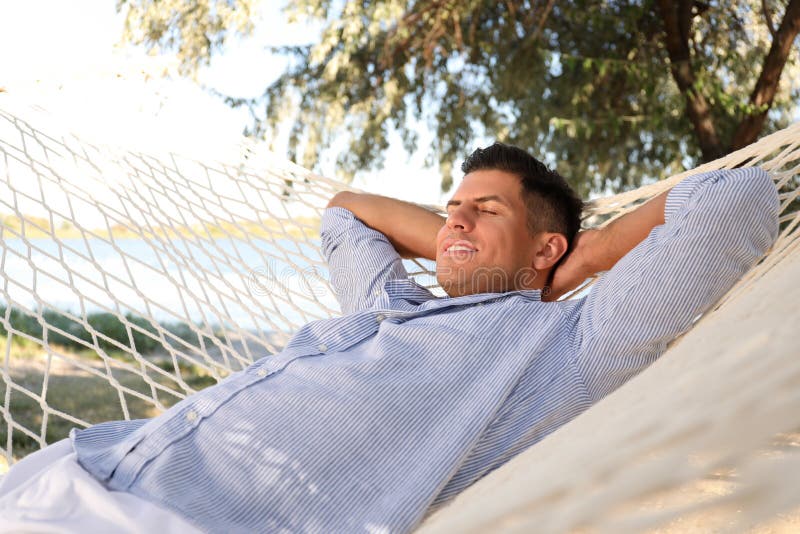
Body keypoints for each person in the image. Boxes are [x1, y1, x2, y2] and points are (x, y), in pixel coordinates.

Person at [0, 143, 779, 533]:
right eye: (451, 207)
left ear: (547, 247)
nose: (457, 220)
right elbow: (344, 211)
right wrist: (462, 236)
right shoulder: (391, 304)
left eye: (487, 209)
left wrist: (575, 264)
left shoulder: (568, 346)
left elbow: (735, 199)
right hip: (85, 466)